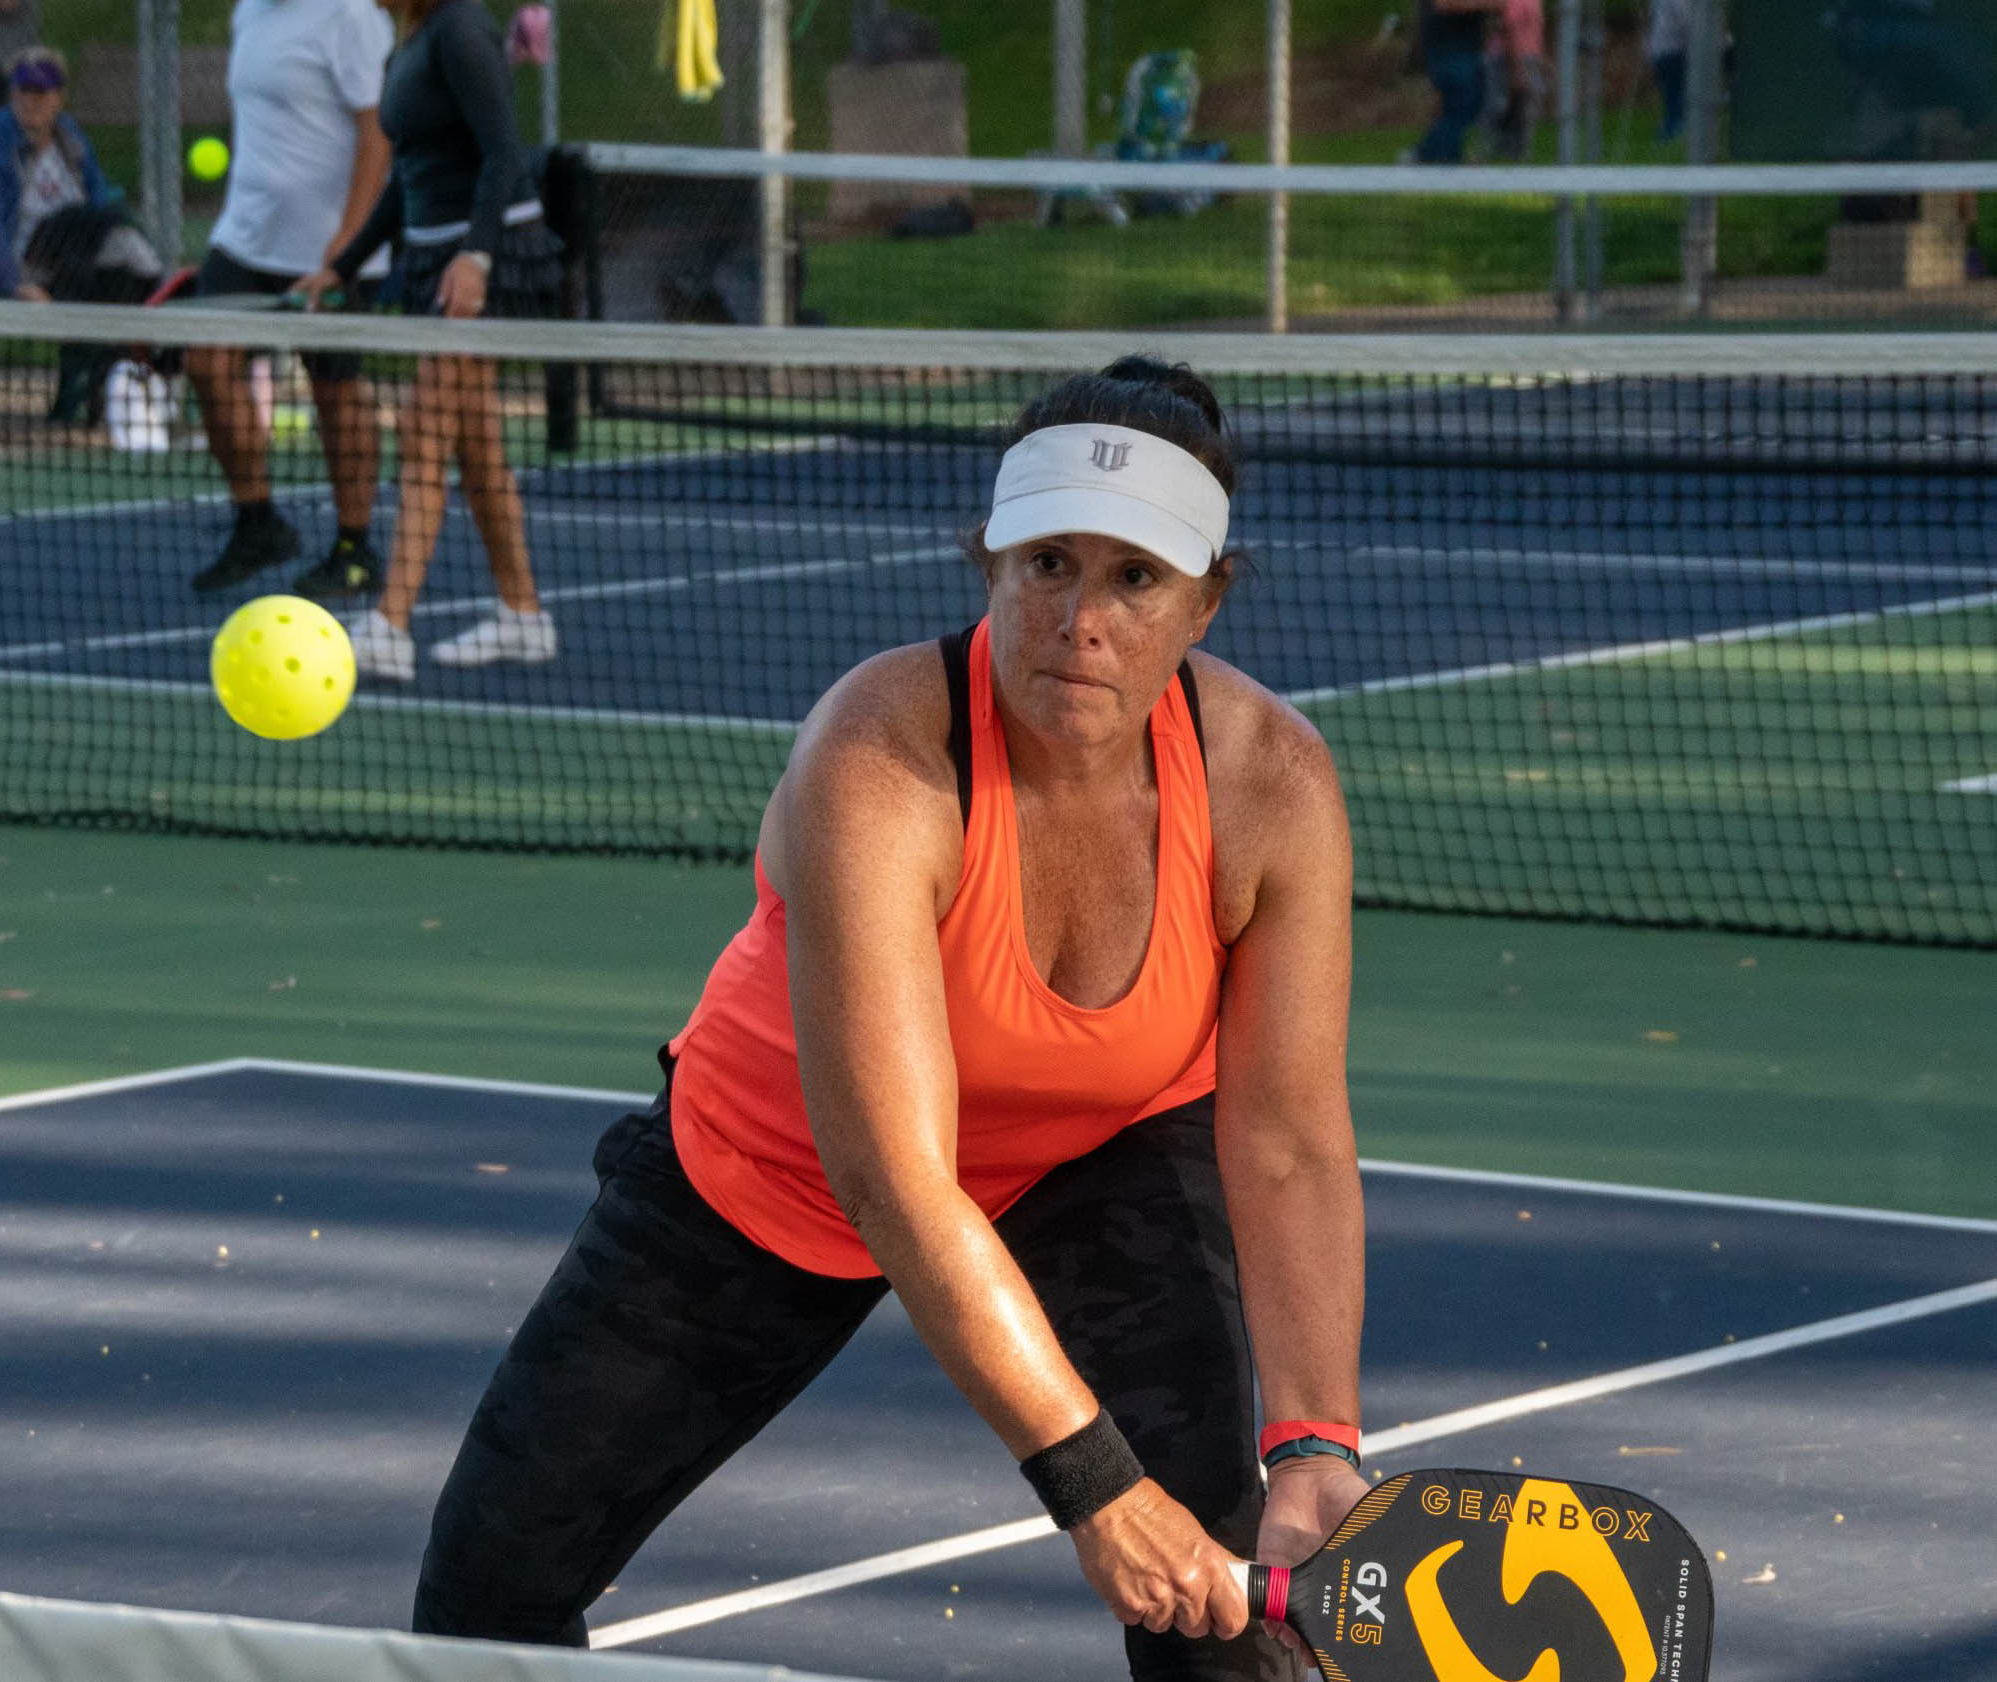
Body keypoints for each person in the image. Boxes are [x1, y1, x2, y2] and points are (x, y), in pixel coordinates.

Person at [408, 357, 1371, 1681]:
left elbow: (1286, 1138)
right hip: (779, 1168)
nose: (1080, 617)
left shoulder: (1272, 783)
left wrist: (1314, 1442)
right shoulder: (876, 756)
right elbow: (894, 1176)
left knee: (1218, 1607)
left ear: (1203, 601)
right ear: (986, 561)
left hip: (1098, 1149)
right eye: (1047, 563)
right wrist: (1094, 1483)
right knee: (490, 1584)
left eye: (1134, 578)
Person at [296, 0, 562, 683]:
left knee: (423, 428)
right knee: (476, 451)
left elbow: (504, 153)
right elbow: (405, 180)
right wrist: (344, 266)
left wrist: (477, 259)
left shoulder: (461, 30)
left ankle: (388, 624)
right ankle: (523, 615)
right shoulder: (406, 41)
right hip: (431, 261)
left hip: (481, 262)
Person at [187, 0, 396, 601]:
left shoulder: (351, 16)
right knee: (205, 361)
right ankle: (258, 522)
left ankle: (354, 547)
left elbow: (376, 133)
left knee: (333, 388)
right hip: (245, 241)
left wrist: (348, 243)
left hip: (331, 248)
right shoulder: (249, 12)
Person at [0, 47, 162, 307]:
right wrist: (12, 285)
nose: (30, 100)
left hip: (75, 251)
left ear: (58, 98)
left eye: (40, 92)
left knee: (124, 246)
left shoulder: (69, 135)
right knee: (89, 246)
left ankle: (160, 300)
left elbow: (97, 201)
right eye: (23, 90)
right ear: (12, 93)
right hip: (24, 258)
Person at [1410, 0, 1503, 164]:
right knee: (1464, 103)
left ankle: (1449, 157)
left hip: (1465, 48)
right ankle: (1423, 154)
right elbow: (1444, 4)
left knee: (1462, 105)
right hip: (1449, 49)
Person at [1486, 0, 1547, 162]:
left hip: (1527, 57)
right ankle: (1500, 151)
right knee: (1505, 105)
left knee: (1526, 105)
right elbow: (1511, 29)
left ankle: (1515, 152)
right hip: (1512, 57)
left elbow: (1532, 33)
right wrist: (1517, 67)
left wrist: (1542, 62)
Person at [1649, 0, 1689, 142]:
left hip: (1660, 50)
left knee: (1672, 95)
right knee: (1675, 96)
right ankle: (1671, 134)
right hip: (1672, 50)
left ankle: (1669, 133)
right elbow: (1684, 20)